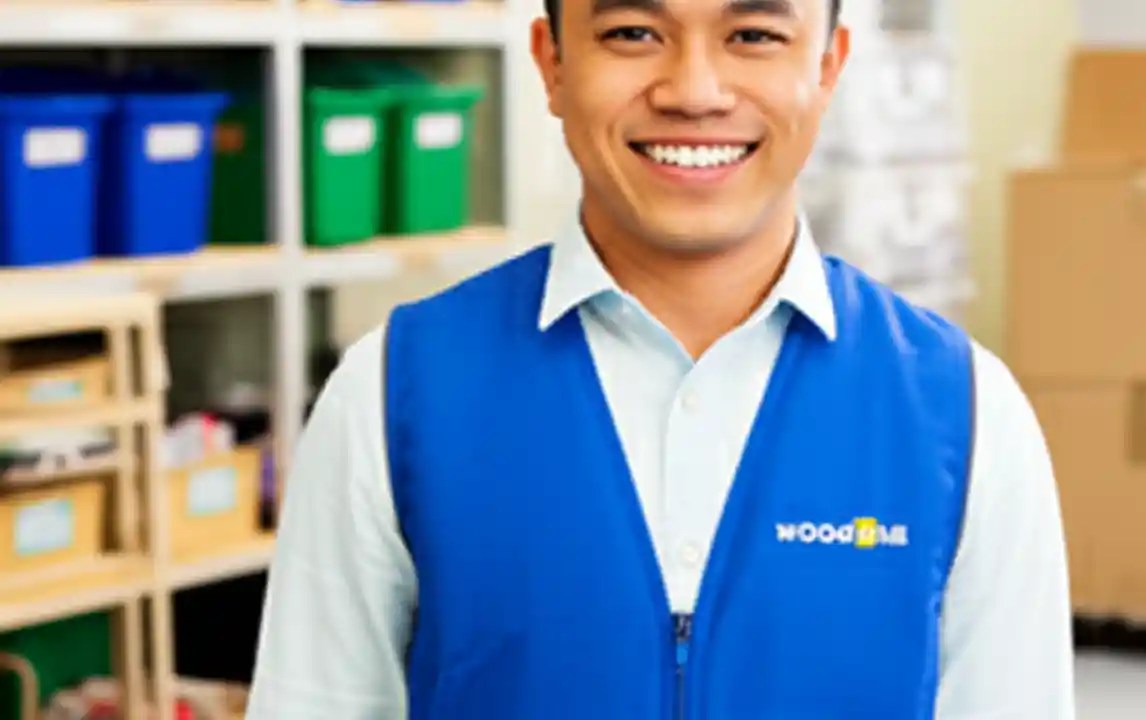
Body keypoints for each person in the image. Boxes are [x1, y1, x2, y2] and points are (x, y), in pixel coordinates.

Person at [245, 0, 1076, 716]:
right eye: (635, 32)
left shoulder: (963, 413)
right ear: (553, 63)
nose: (694, 92)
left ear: (828, 67)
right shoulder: (395, 392)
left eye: (752, 36)